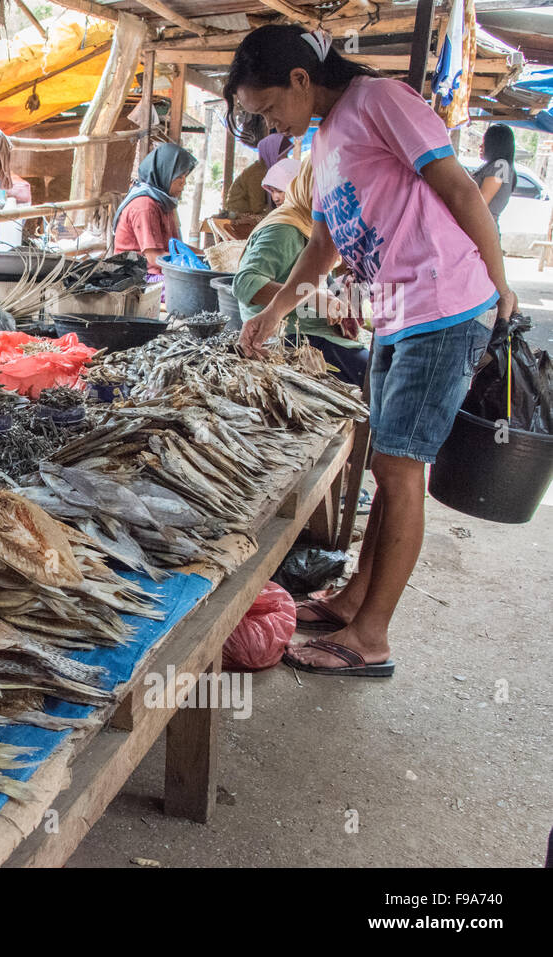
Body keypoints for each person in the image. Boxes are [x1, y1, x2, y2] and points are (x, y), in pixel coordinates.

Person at [226, 24, 515, 677]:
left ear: (301, 79)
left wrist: (501, 286)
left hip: (444, 307)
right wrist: (275, 310)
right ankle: (356, 594)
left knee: (401, 467)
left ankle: (372, 636)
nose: (270, 119)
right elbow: (323, 245)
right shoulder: (325, 140)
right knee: (390, 460)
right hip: (396, 315)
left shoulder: (380, 99)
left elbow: (459, 188)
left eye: (270, 105)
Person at [233, 154, 369, 385]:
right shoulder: (286, 228)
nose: (337, 201)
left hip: (314, 332)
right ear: (309, 187)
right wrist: (313, 300)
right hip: (295, 339)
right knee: (378, 378)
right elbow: (244, 282)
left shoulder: (309, 226)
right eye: (329, 193)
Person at [111, 142, 198, 273]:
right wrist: (192, 266)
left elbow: (174, 247)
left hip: (154, 271)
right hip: (137, 277)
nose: (183, 182)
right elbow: (153, 258)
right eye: (179, 176)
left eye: (185, 176)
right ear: (165, 173)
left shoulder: (164, 202)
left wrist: (206, 255)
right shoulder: (145, 206)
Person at [224, 131, 292, 218]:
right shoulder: (258, 173)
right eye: (283, 155)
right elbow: (257, 207)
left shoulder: (269, 171)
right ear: (272, 154)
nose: (286, 158)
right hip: (240, 216)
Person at [471, 123, 516, 232]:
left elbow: (480, 202)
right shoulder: (491, 165)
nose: (481, 146)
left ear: (495, 145)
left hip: (483, 230)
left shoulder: (501, 165)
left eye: (485, 143)